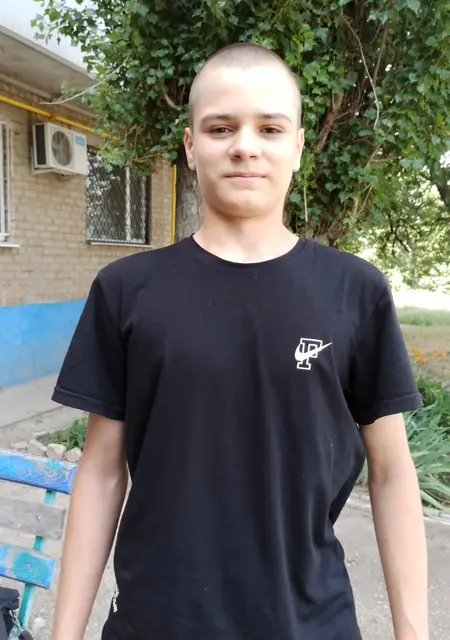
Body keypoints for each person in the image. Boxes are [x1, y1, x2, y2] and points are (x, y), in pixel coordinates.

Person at [50, 42, 428, 640]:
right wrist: (64, 633)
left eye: (269, 128)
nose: (245, 145)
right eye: (220, 127)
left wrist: (414, 633)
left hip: (309, 625)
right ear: (190, 146)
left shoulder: (355, 291)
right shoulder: (127, 290)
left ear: (298, 147)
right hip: (157, 624)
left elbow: (391, 473)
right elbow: (100, 473)